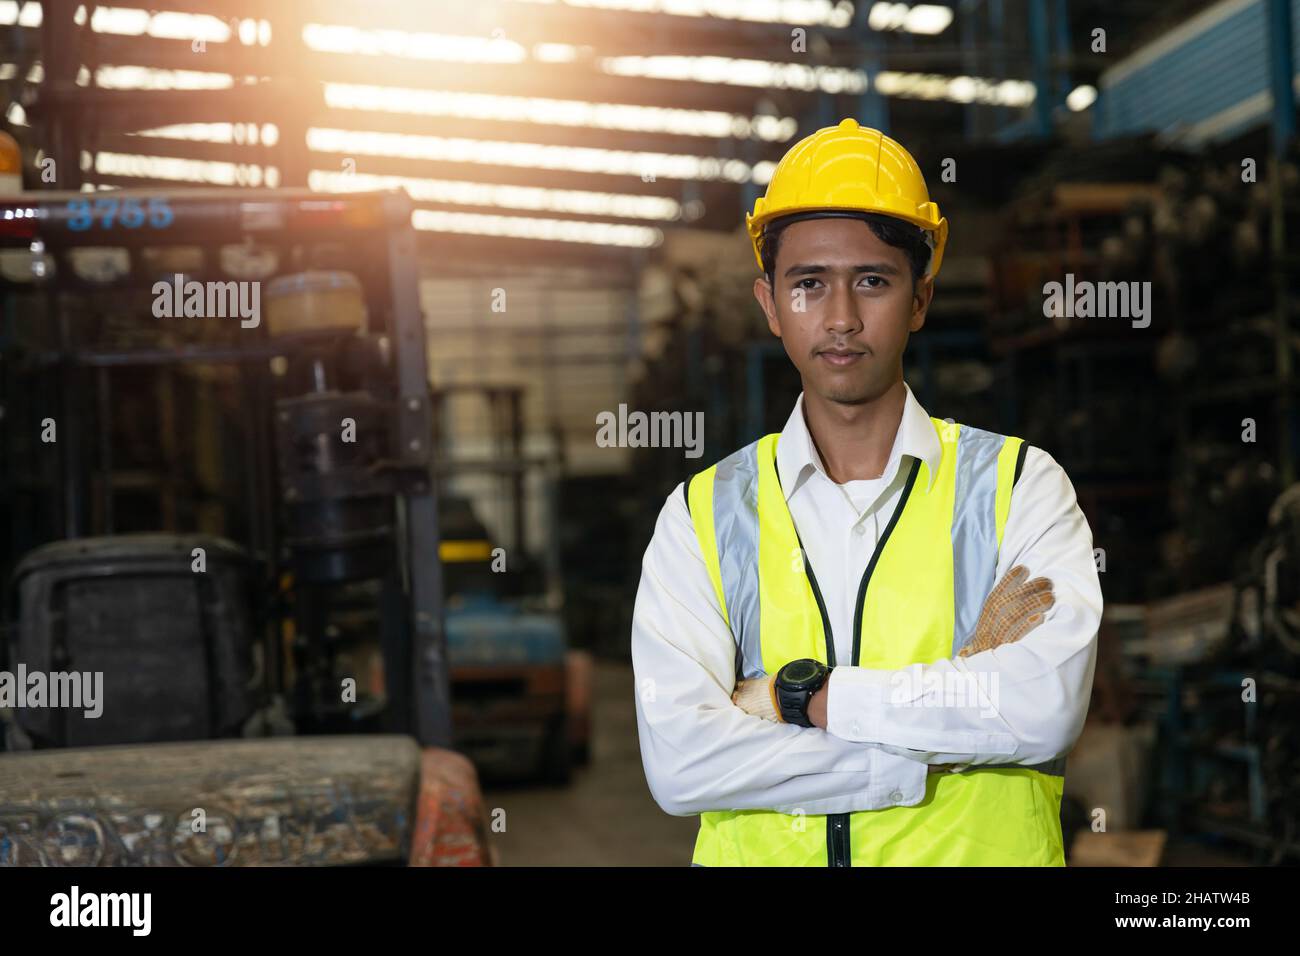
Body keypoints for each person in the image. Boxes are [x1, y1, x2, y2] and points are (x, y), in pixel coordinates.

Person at [631, 119, 1102, 866]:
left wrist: (804, 702)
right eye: (809, 283)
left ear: (919, 300)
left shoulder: (1018, 487)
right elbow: (683, 764)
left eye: (873, 281)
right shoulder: (701, 517)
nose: (842, 317)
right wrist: (935, 744)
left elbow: (1042, 710)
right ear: (770, 303)